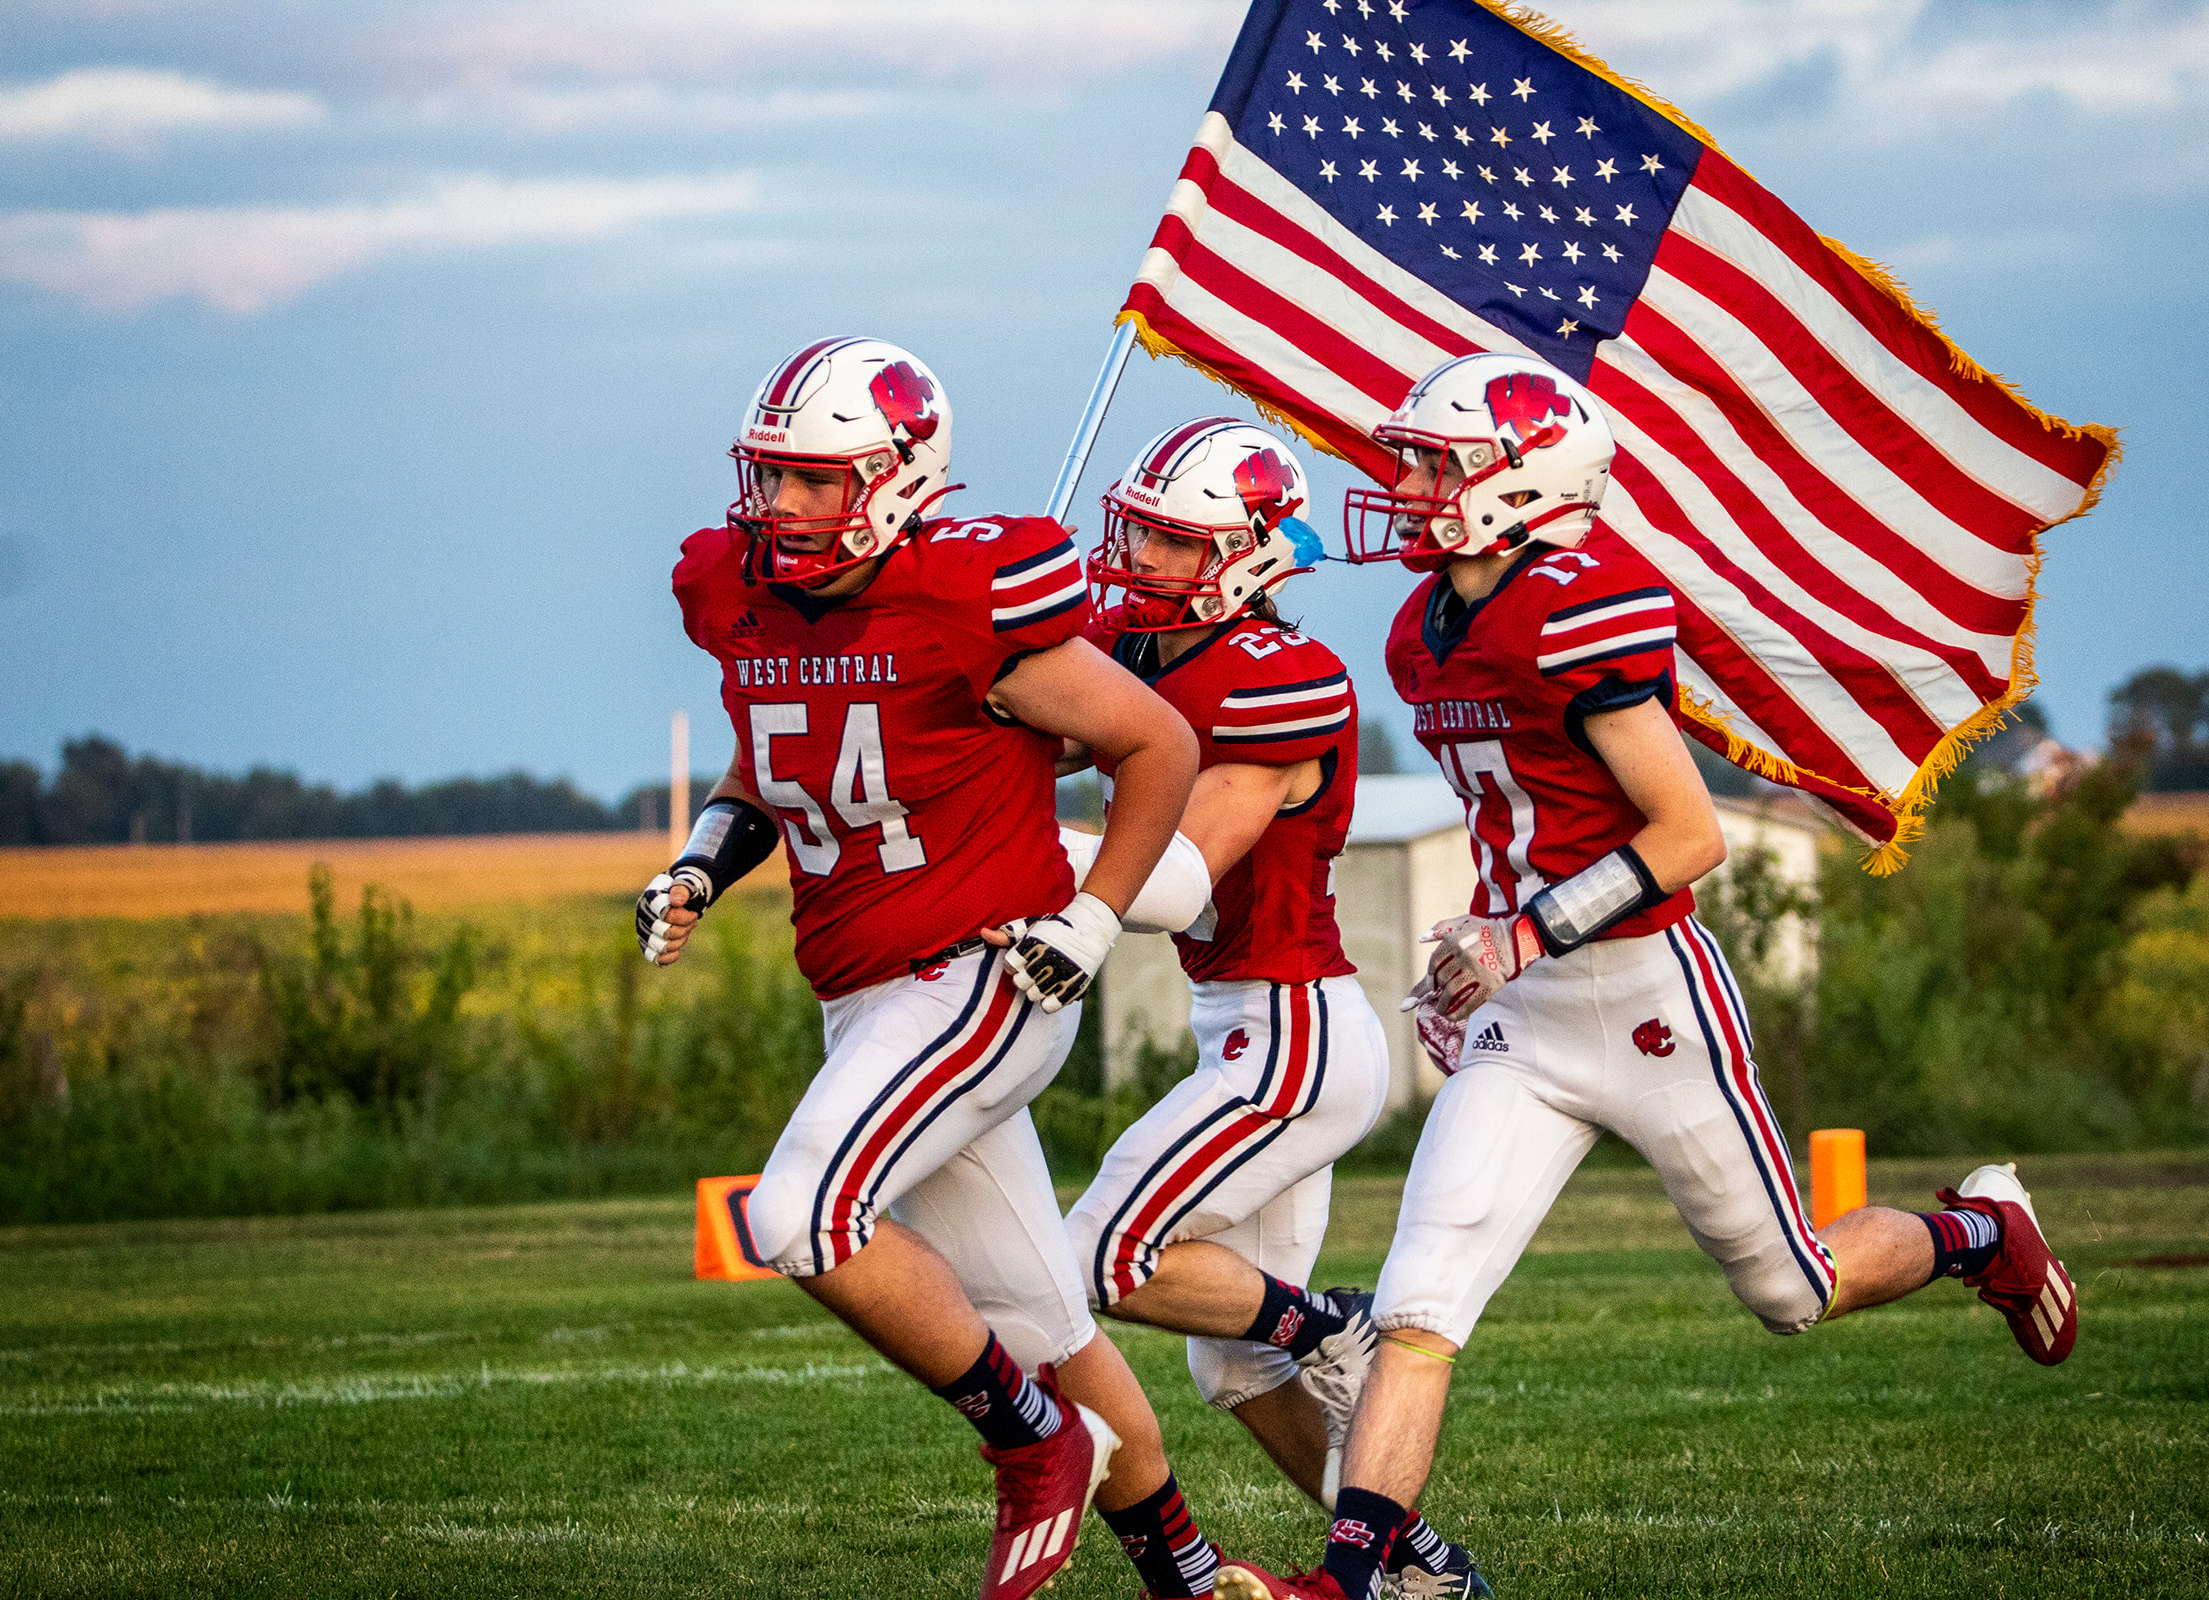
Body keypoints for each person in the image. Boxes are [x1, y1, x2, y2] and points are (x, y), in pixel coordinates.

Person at [1211, 353, 2081, 1600]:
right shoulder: (1425, 626)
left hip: (1647, 996)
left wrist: (1518, 932)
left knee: (1792, 1286)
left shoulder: (1577, 606)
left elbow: (1688, 833)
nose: (1403, 484)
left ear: (1521, 483)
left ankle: (1983, 1230)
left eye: (1434, 462)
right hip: (1528, 1012)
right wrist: (1480, 942)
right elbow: (1515, 818)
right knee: (1419, 1305)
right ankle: (1350, 1584)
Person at [640, 335, 1229, 1600]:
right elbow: (776, 760)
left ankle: (1030, 1446)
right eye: (772, 476)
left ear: (903, 474)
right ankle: (1188, 1569)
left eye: (817, 480)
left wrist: (1094, 913)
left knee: (800, 1217)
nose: (784, 507)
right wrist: (699, 863)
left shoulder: (974, 593)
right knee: (1046, 1326)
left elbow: (1159, 742)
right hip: (865, 990)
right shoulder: (734, 590)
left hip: (982, 969)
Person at [1059, 418, 1493, 1600]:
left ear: (1248, 553)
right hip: (1246, 1026)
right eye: (1137, 528)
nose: (1138, 554)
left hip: (1293, 1031)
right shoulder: (1135, 643)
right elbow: (1019, 737)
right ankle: (1423, 1573)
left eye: (1171, 538)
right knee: (1231, 1370)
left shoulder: (1280, 676)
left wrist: (1001, 853)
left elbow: (1178, 880)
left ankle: (1325, 1325)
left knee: (1095, 1254)